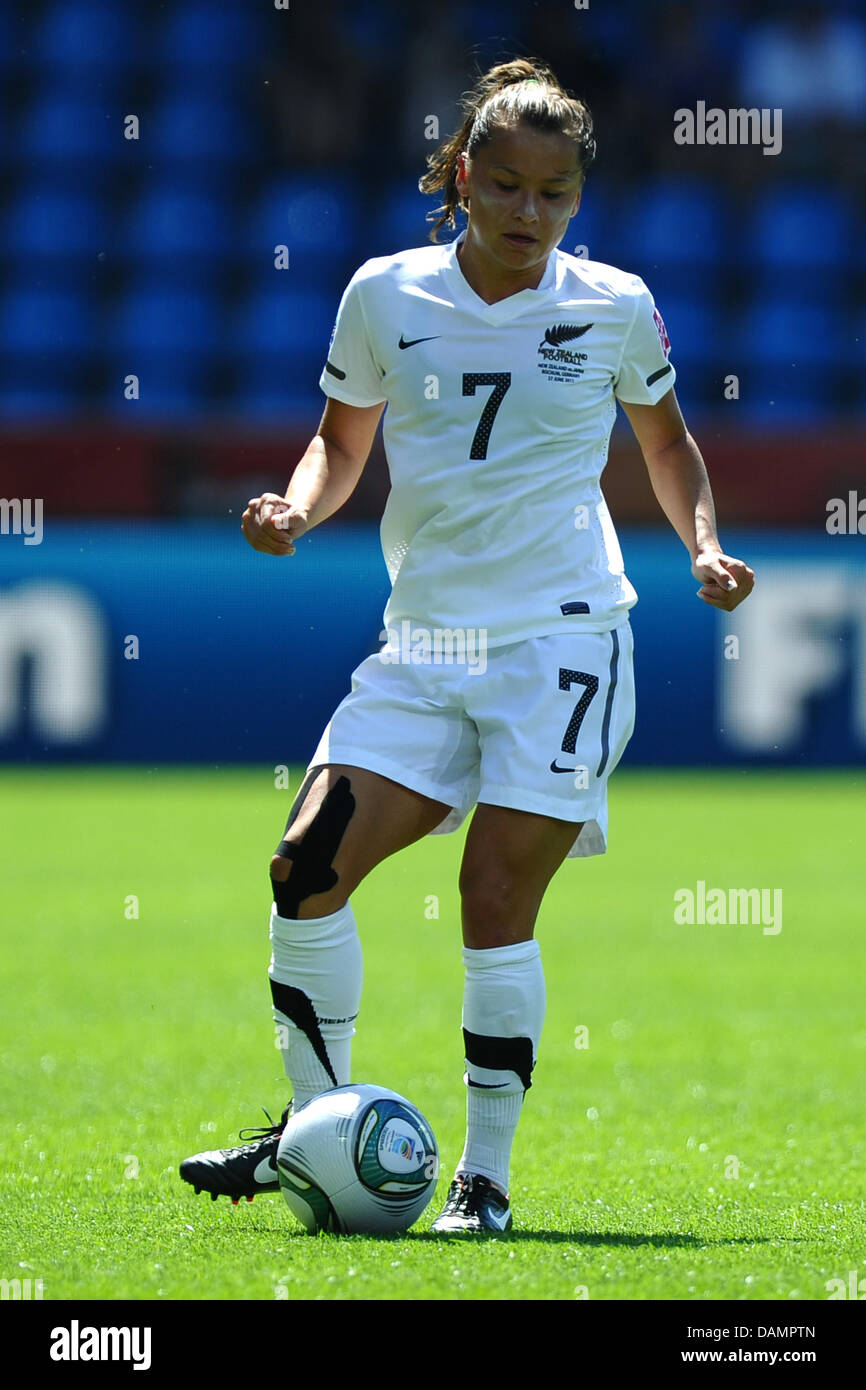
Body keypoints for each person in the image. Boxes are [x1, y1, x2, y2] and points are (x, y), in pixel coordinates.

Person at [180, 57, 754, 1234]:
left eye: (552, 194)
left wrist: (700, 542)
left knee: (491, 896)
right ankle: (317, 1133)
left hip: (562, 640)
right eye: (503, 186)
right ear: (461, 178)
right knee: (304, 867)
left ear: (576, 201)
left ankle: (482, 1182)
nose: (526, 213)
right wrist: (297, 506)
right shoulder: (384, 295)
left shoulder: (612, 305)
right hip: (425, 641)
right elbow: (339, 444)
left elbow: (667, 444)